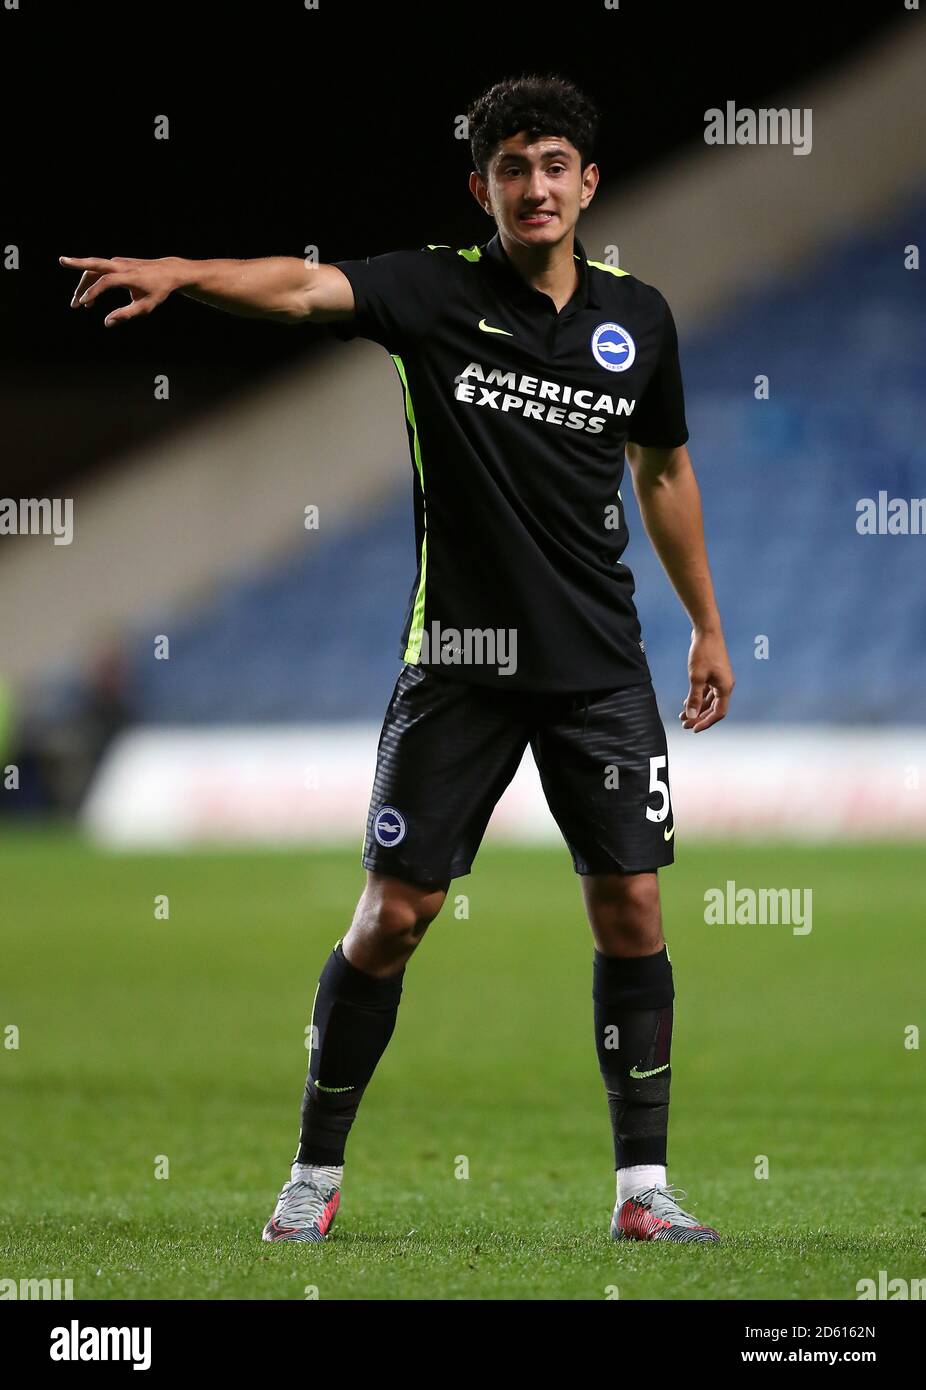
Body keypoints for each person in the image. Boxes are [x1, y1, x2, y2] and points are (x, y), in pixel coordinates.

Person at [61, 72, 735, 1246]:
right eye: (511, 167)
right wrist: (186, 273)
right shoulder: (429, 290)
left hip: (598, 668)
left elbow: (662, 470)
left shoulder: (642, 319)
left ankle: (641, 1190)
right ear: (482, 187)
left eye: (554, 166)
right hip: (459, 667)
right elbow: (299, 287)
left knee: (631, 903)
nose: (535, 186)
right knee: (392, 916)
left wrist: (708, 626)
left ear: (587, 183)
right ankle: (313, 1173)